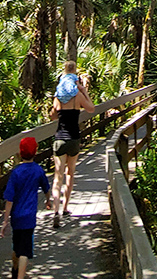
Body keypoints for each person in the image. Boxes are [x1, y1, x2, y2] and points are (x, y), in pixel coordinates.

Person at [49, 65, 95, 227]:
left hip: (60, 138)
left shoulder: (58, 97)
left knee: (57, 176)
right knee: (70, 173)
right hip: (74, 138)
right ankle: (65, 208)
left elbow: (53, 116)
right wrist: (84, 91)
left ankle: (55, 211)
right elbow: (91, 109)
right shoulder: (77, 96)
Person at [0, 135, 51, 279]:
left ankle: (15, 270)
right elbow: (46, 188)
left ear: (20, 153)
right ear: (35, 152)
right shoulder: (38, 170)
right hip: (29, 217)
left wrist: (5, 221)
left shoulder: (16, 173)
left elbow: (9, 199)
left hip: (16, 216)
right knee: (25, 252)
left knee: (17, 247)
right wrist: (48, 201)